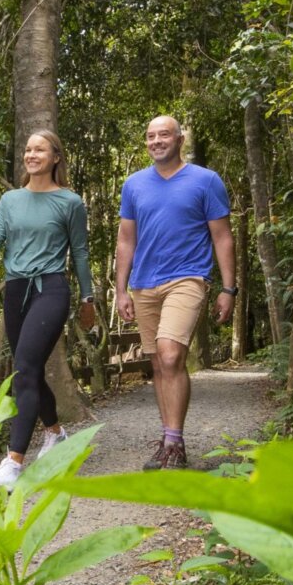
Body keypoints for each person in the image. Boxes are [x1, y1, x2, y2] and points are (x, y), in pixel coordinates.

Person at [0, 130, 98, 490]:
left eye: (39, 149)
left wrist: (88, 299)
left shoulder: (70, 202)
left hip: (51, 288)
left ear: (55, 157)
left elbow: (81, 252)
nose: (31, 154)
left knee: (24, 367)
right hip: (16, 290)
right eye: (27, 149)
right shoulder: (10, 199)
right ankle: (55, 434)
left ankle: (13, 462)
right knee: (30, 370)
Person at [114, 115, 236, 470]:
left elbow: (222, 236)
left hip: (188, 278)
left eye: (163, 135)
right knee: (157, 363)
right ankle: (168, 440)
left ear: (179, 139)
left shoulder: (206, 181)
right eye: (150, 136)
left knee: (170, 356)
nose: (156, 141)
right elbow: (126, 239)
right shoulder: (134, 185)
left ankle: (176, 443)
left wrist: (229, 288)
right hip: (143, 283)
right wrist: (121, 290)